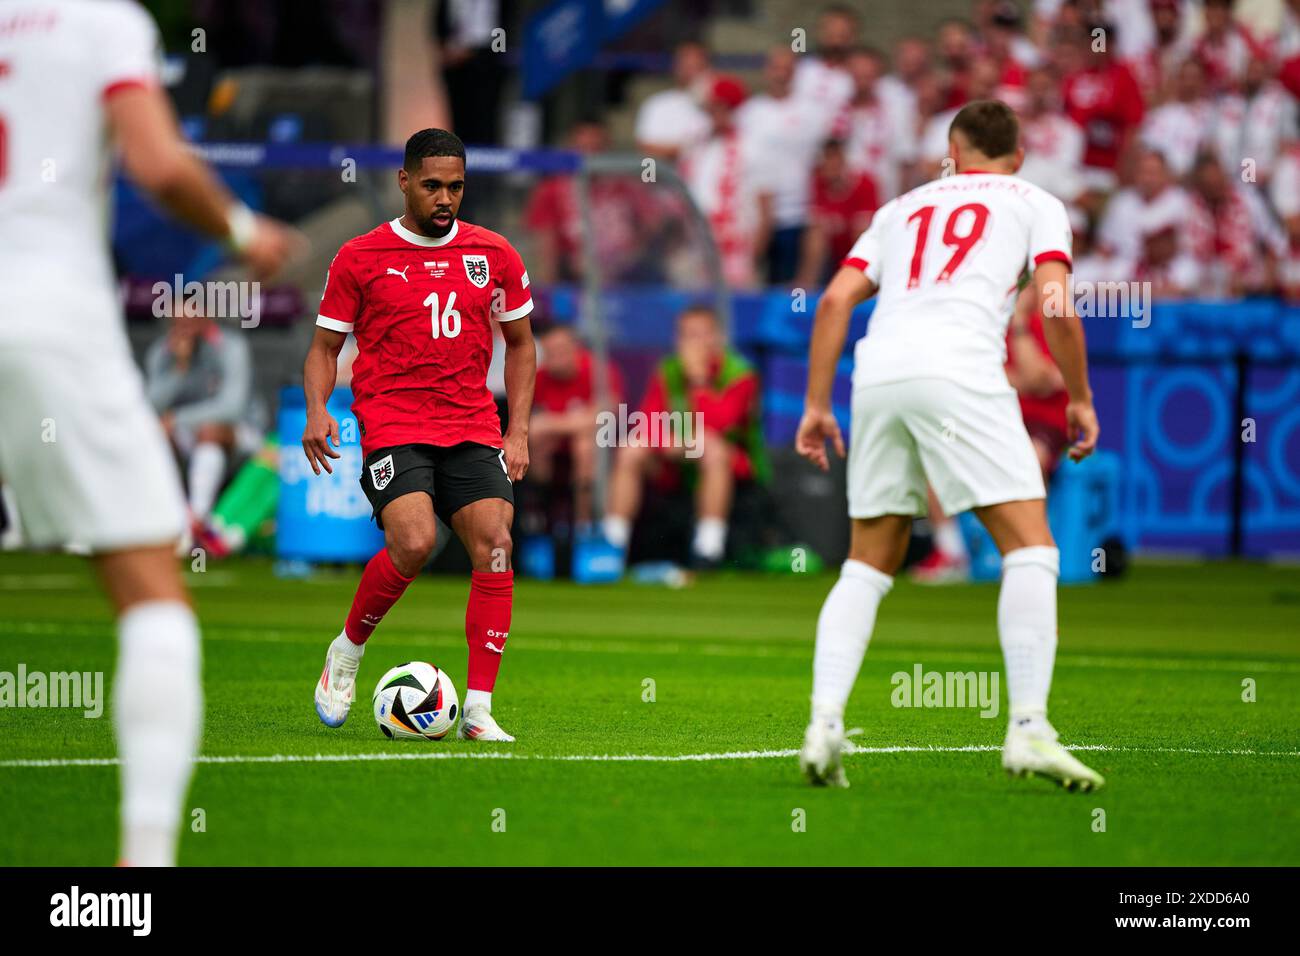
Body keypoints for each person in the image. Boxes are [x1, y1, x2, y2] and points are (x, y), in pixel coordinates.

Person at [0, 0, 299, 865]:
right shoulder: (103, 22)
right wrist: (244, 229)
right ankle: (144, 868)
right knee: (152, 597)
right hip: (46, 318)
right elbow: (159, 165)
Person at [794, 99, 1104, 791]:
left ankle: (823, 723)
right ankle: (1029, 727)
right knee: (1031, 546)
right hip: (960, 368)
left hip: (878, 373)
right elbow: (1054, 305)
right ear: (1016, 156)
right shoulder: (1035, 201)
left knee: (869, 561)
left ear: (952, 152)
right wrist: (1079, 396)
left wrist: (817, 405)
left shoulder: (901, 207)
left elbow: (835, 301)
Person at [303, 128, 535, 744]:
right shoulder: (359, 257)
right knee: (413, 541)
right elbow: (325, 347)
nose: (445, 198)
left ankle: (480, 711)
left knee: (495, 543)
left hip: (471, 423)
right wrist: (317, 409)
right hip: (394, 422)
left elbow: (522, 344)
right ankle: (347, 652)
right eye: (432, 185)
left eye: (455, 187)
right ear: (404, 182)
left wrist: (518, 430)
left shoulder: (496, 254)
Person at [602, 305, 766, 569]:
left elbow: (720, 425)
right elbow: (646, 420)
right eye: (687, 335)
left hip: (730, 463)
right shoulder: (668, 370)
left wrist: (698, 382)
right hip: (677, 458)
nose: (694, 343)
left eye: (701, 335)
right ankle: (612, 545)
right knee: (630, 448)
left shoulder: (741, 374)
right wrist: (668, 443)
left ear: (717, 338)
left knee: (712, 448)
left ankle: (708, 548)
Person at [145, 314, 256, 531]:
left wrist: (177, 419)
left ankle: (196, 520)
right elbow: (149, 408)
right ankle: (154, 519)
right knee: (151, 435)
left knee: (208, 432)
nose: (184, 327)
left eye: (189, 320)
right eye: (177, 321)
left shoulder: (232, 347)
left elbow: (231, 408)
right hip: (185, 434)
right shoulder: (161, 352)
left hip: (244, 433)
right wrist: (179, 368)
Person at [528, 324, 624, 531]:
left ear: (576, 347)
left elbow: (606, 414)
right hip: (550, 451)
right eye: (550, 352)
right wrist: (573, 422)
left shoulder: (598, 371)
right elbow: (531, 425)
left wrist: (553, 423)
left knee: (584, 446)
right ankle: (538, 515)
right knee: (534, 438)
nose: (557, 357)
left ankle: (584, 524)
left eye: (561, 350)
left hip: (594, 446)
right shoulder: (538, 376)